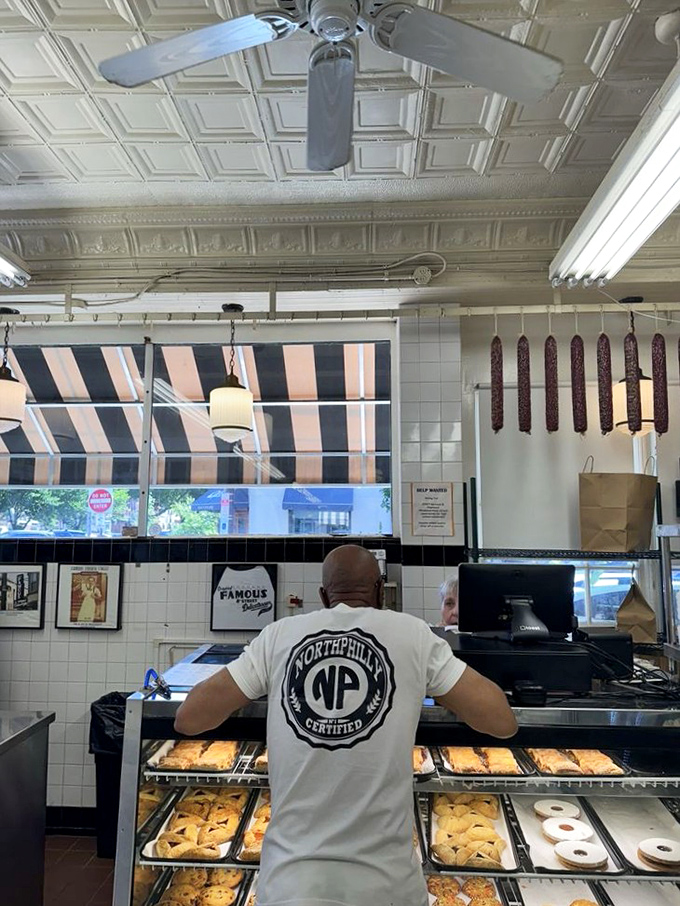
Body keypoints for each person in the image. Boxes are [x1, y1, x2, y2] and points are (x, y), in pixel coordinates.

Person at [175, 545, 516, 906]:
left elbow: (189, 718)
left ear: (324, 597)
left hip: (290, 886)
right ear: (381, 591)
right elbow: (501, 722)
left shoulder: (277, 636)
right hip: (386, 889)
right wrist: (432, 688)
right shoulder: (413, 635)